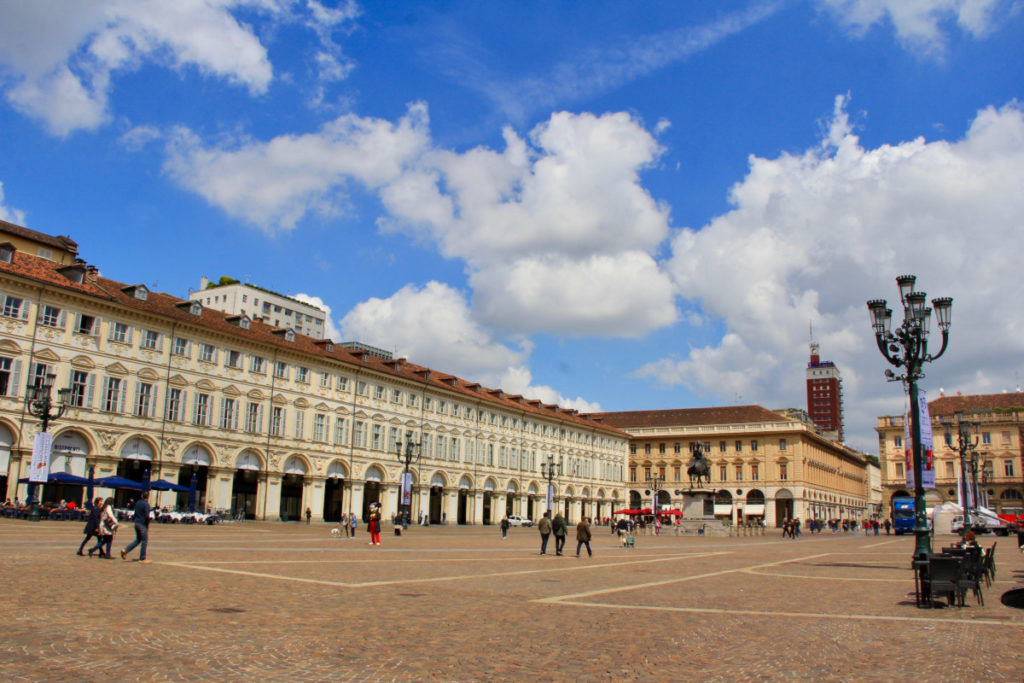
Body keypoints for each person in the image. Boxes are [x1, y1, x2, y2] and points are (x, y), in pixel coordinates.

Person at [121, 490, 151, 563]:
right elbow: (147, 515)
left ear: (142, 496)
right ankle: (142, 558)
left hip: (136, 523)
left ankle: (125, 550)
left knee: (138, 540)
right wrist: (147, 523)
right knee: (144, 541)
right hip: (142, 524)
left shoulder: (138, 503)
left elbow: (135, 513)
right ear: (148, 497)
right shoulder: (146, 504)